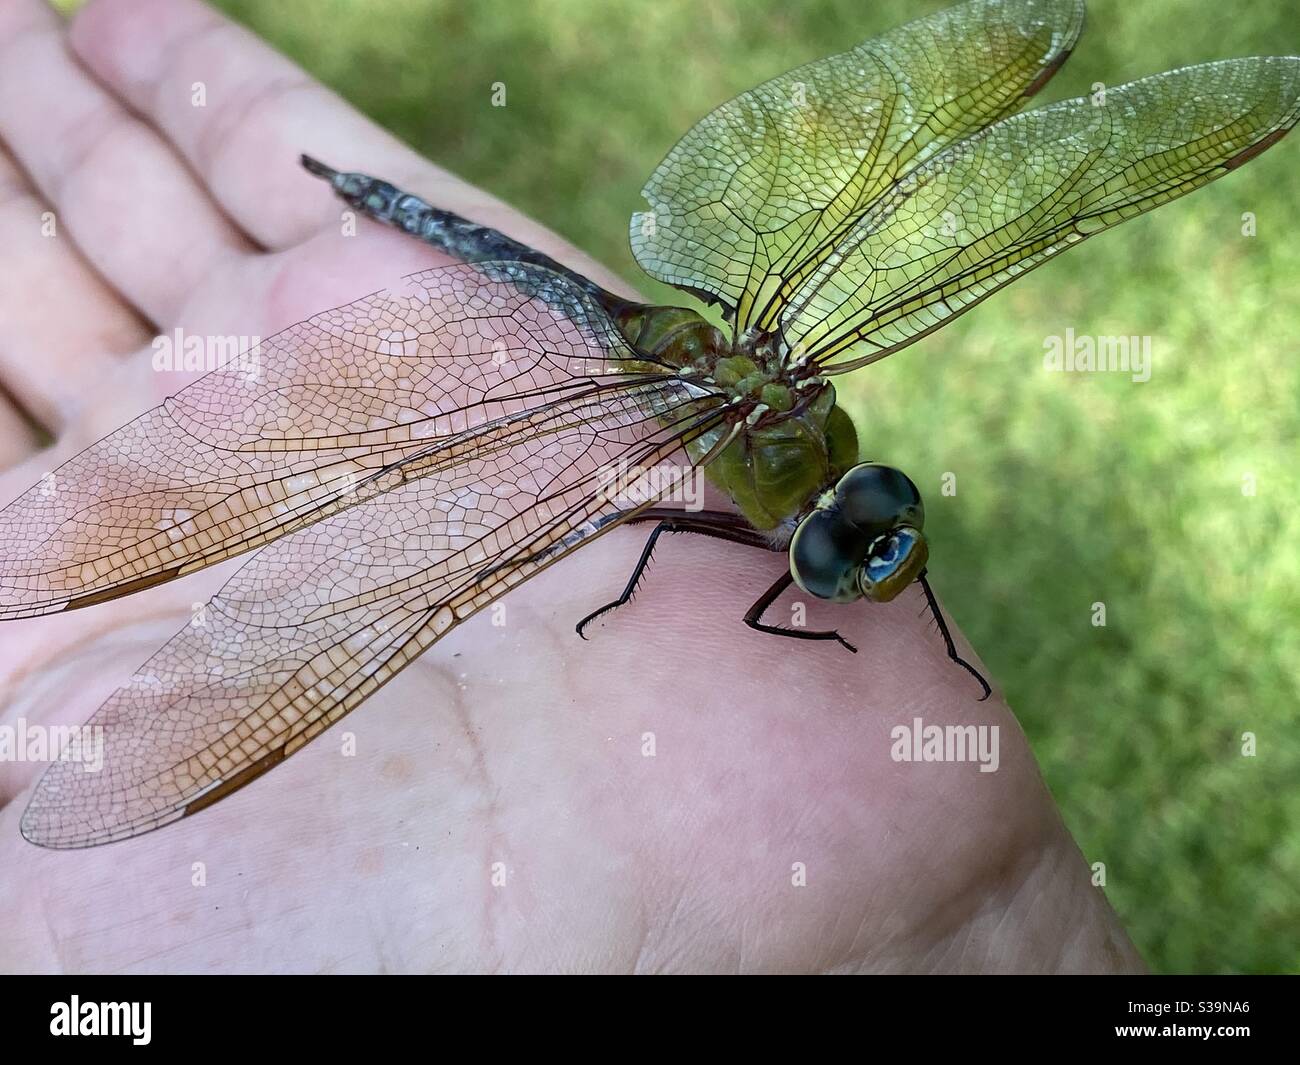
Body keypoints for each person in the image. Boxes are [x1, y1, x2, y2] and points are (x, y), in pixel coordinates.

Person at [0, 0, 1143, 973]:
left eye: (873, 531)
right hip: (570, 330)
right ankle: (367, 197)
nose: (879, 553)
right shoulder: (698, 481)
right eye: (862, 547)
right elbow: (655, 536)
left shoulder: (816, 461)